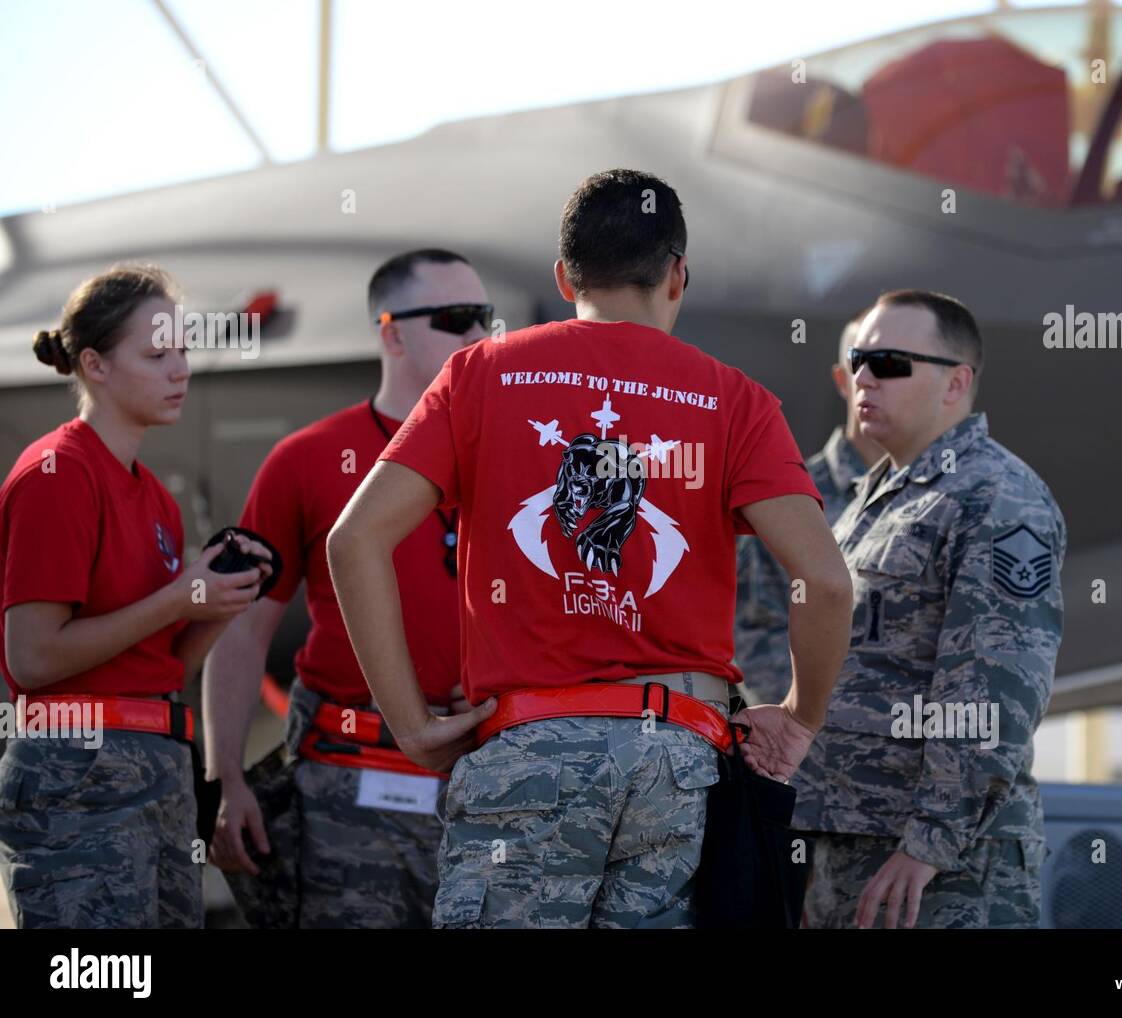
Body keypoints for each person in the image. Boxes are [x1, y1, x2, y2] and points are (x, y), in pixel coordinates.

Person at [327, 168, 853, 928]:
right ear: (679, 275)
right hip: (679, 760)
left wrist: (408, 724)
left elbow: (355, 541)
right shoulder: (736, 400)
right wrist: (800, 718)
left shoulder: (479, 374)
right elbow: (827, 583)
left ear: (563, 275)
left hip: (527, 751)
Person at [203, 249, 491, 928]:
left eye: (485, 318)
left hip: (493, 789)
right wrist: (227, 778)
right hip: (349, 791)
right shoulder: (305, 460)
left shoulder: (521, 458)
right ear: (390, 332)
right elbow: (243, 631)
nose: (480, 336)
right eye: (455, 319)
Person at [0, 265, 271, 929]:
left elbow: (163, 671)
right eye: (156, 355)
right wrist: (180, 598)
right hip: (79, 775)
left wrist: (216, 603)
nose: (179, 370)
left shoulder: (152, 495)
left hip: (156, 767)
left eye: (182, 350)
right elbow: (32, 659)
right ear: (93, 365)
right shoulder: (56, 475)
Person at [792, 289, 1066, 930]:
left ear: (956, 383)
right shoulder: (876, 496)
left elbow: (995, 686)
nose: (863, 376)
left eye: (889, 362)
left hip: (943, 872)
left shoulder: (998, 498)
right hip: (852, 847)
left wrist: (931, 841)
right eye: (860, 358)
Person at [734, 310, 884, 704]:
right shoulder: (790, 496)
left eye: (896, 365)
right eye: (862, 363)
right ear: (842, 379)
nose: (876, 379)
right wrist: (813, 723)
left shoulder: (939, 497)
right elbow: (755, 631)